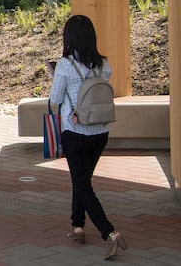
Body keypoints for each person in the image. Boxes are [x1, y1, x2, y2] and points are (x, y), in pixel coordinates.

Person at [49, 15, 127, 260]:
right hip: (100, 132)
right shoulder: (104, 64)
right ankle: (77, 226)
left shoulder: (64, 65)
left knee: (83, 185)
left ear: (69, 38)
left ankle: (109, 233)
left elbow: (55, 100)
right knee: (81, 179)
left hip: (76, 133)